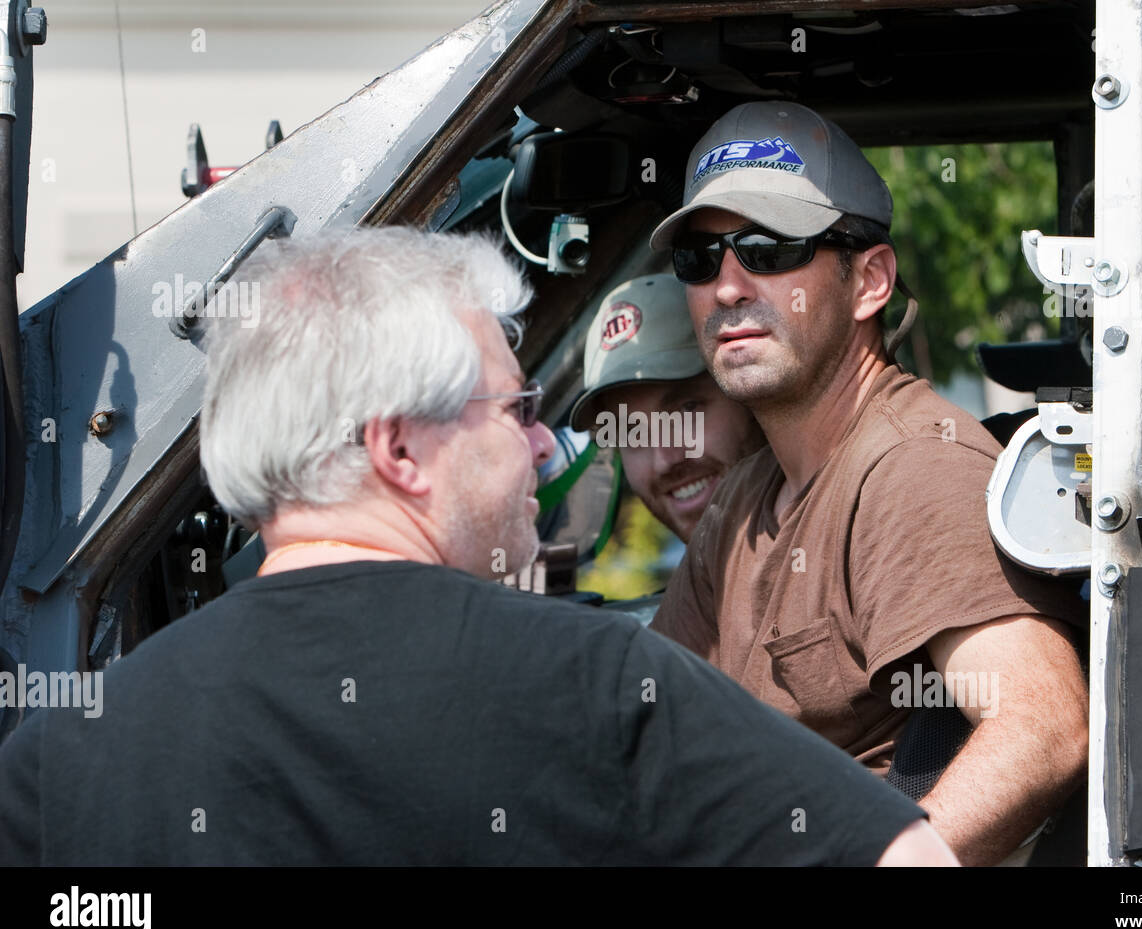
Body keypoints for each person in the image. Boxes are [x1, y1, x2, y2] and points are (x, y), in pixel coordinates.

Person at [0, 226, 954, 866]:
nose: (547, 449)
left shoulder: (54, 763)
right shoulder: (607, 689)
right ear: (401, 448)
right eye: (519, 410)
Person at [647, 101, 1089, 866]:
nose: (726, 287)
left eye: (768, 249)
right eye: (700, 258)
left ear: (868, 281)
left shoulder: (913, 469)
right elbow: (647, 718)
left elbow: (1045, 728)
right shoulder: (747, 496)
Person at [570, 274, 765, 542]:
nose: (666, 459)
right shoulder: (694, 583)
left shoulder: (832, 554)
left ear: (751, 398)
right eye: (630, 431)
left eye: (686, 410)